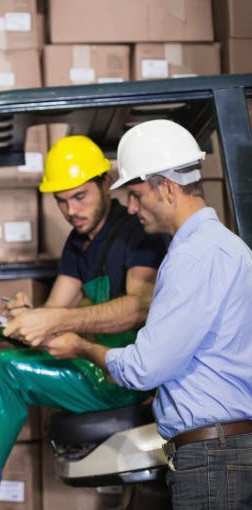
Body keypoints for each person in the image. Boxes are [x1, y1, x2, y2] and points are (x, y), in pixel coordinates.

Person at [0, 135, 169, 510]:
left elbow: (138, 308)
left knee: (2, 370)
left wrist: (54, 319)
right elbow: (55, 308)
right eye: (61, 201)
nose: (71, 210)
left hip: (124, 373)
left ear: (104, 183)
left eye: (79, 197)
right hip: (92, 360)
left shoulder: (135, 231)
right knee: (0, 364)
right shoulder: (78, 243)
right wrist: (28, 315)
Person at [44, 119, 252, 509]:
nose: (131, 208)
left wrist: (84, 348)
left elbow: (144, 368)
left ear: (168, 188)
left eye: (137, 195)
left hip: (213, 458)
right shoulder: (218, 247)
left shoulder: (194, 256)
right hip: (220, 452)